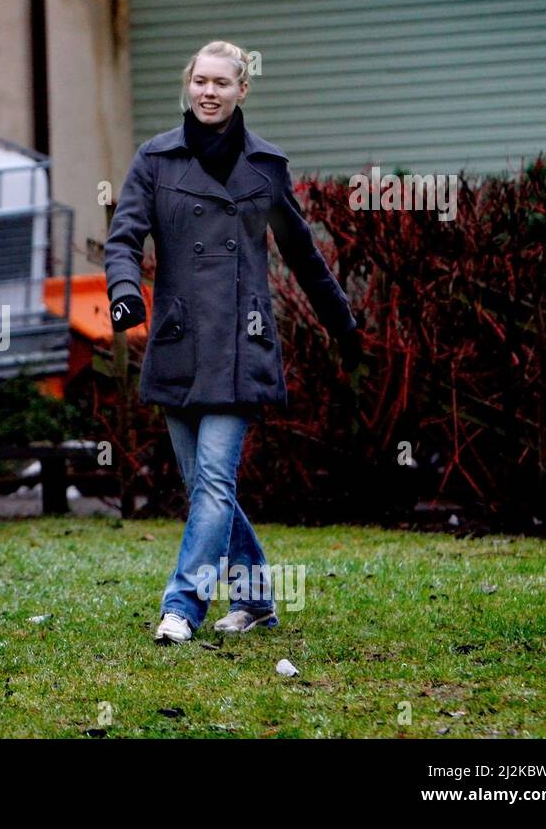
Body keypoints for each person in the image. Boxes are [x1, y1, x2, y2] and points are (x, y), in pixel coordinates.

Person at [103, 40, 365, 643]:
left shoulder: (265, 167)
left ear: (242, 89)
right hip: (178, 341)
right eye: (200, 81)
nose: (209, 92)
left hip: (242, 345)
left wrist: (343, 324)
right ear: (188, 84)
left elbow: (302, 254)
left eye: (221, 82)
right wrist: (124, 292)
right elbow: (124, 238)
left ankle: (182, 607)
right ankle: (255, 599)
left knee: (215, 484)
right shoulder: (156, 160)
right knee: (204, 488)